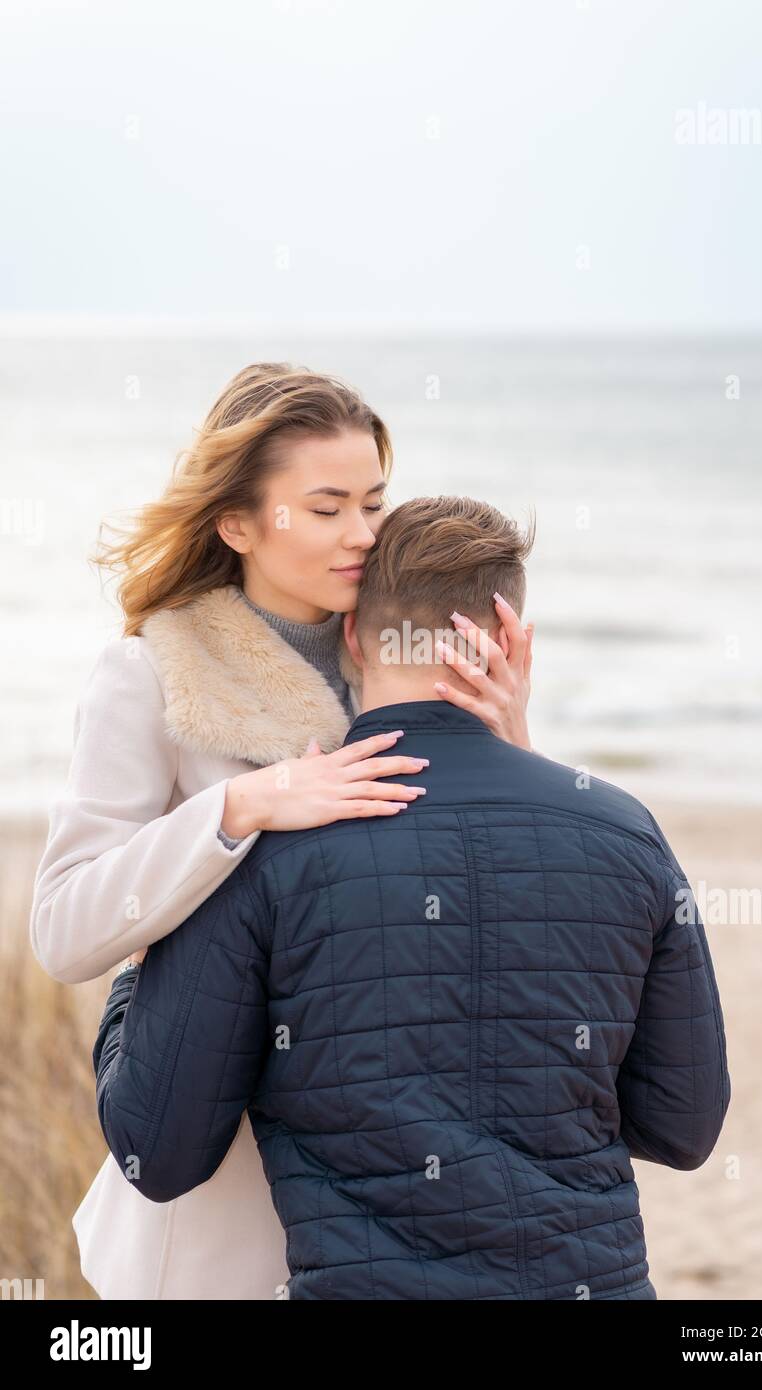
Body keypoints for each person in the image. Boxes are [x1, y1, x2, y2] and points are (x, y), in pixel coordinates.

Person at [91, 494, 732, 1301]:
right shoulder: (624, 833)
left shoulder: (265, 844)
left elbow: (160, 1151)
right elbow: (682, 1128)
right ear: (505, 644)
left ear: (352, 635)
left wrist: (137, 972)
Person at [28, 364, 534, 1300]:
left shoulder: (418, 659)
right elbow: (65, 929)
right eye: (328, 506)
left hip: (396, 1195)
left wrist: (511, 749)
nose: (364, 535)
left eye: (375, 502)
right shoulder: (150, 673)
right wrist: (240, 808)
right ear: (238, 523)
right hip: (222, 1201)